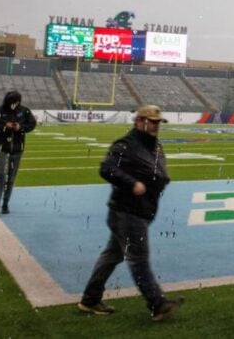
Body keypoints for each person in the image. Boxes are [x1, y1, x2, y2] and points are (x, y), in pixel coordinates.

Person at [78, 105, 184, 321]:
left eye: (158, 122)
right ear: (139, 121)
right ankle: (157, 303)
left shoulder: (154, 146)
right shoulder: (125, 145)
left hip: (141, 210)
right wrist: (132, 183)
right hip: (127, 211)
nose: (156, 126)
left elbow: (158, 173)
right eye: (152, 121)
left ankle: (89, 300)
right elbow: (107, 168)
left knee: (112, 256)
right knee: (139, 259)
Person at [0, 90, 36, 217]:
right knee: (1, 174)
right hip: (1, 149)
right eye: (12, 102)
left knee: (11, 177)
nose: (14, 104)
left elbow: (32, 124)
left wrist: (21, 127)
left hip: (17, 149)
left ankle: (5, 204)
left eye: (16, 102)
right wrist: (4, 126)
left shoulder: (25, 111)